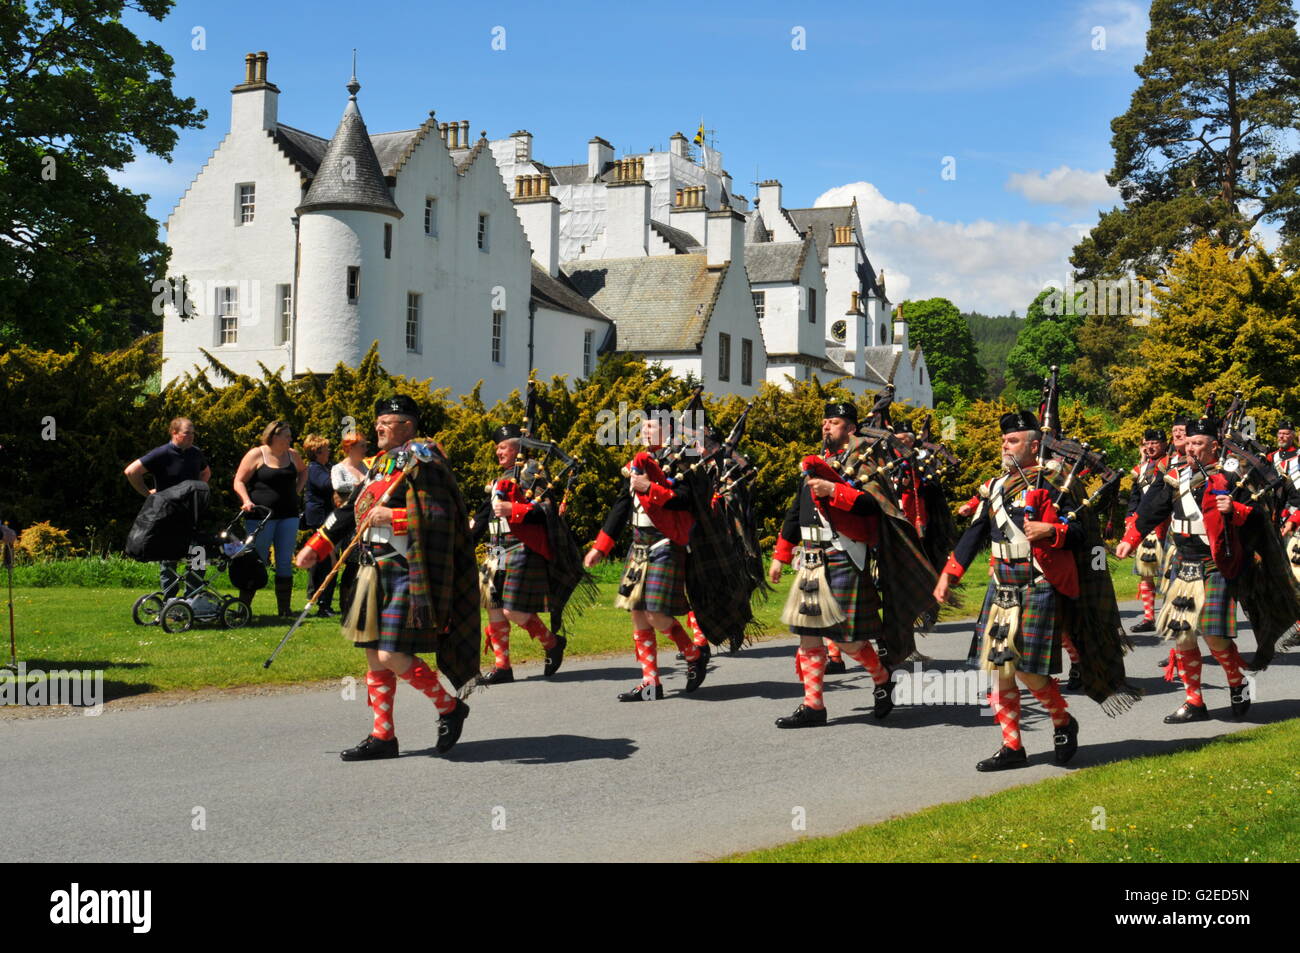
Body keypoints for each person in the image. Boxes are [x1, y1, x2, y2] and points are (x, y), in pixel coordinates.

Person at [933, 410, 1136, 771]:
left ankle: (1061, 719)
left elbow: (1082, 536)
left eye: (1013, 440)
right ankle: (1012, 746)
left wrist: (1051, 531)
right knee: (999, 668)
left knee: (1028, 671)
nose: (1005, 446)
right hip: (1001, 584)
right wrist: (950, 574)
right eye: (1003, 441)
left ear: (1034, 444)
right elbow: (975, 534)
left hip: (1039, 582)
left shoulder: (1058, 483)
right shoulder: (996, 486)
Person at [296, 395, 480, 760]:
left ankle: (449, 707)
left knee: (392, 654)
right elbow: (351, 510)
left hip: (403, 568)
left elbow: (442, 519)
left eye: (387, 421)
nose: (378, 426)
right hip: (370, 569)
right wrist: (316, 546)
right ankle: (384, 736)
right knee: (373, 656)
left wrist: (393, 519)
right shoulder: (380, 464)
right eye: (377, 420)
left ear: (407, 425)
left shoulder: (423, 461)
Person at [1119, 414, 1300, 722]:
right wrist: (1130, 539)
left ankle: (1237, 681)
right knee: (1183, 635)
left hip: (1217, 561)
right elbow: (1151, 508)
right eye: (1188, 443)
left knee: (1214, 636)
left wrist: (1237, 509)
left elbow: (1259, 514)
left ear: (1214, 446)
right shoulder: (1174, 475)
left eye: (1198, 443)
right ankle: (1194, 701)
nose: (1191, 449)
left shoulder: (1232, 476)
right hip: (1183, 560)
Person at [768, 401, 938, 728]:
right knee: (809, 634)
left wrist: (834, 490)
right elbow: (796, 511)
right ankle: (813, 706)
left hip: (844, 554)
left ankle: (881, 676)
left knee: (846, 640)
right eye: (824, 421)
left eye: (833, 422)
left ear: (849, 428)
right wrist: (780, 554)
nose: (825, 427)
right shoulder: (818, 463)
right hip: (812, 558)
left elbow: (871, 506)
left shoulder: (864, 461)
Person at [584, 408, 708, 700]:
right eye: (643, 427)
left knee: (655, 613)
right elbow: (620, 507)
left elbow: (688, 501)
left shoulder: (683, 460)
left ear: (668, 430)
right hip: (638, 545)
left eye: (650, 427)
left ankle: (692, 654)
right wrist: (600, 547)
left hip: (666, 542)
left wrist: (651, 488)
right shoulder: (636, 463)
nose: (644, 432)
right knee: (637, 613)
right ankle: (651, 682)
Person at [470, 424, 567, 683]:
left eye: (502, 447)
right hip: (496, 549)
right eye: (497, 448)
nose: (498, 452)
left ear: (517, 447)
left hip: (521, 546)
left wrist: (513, 509)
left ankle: (552, 643)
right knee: (493, 607)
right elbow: (483, 516)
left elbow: (545, 510)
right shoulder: (500, 478)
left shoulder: (532, 473)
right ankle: (503, 667)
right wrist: (464, 539)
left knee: (513, 611)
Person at [124, 418, 211, 598]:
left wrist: (197, 490)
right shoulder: (162, 453)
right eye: (187, 433)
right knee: (168, 560)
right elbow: (131, 471)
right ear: (174, 433)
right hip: (168, 515)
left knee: (198, 555)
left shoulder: (196, 453)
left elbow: (206, 472)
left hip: (193, 514)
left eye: (193, 433)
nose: (191, 437)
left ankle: (193, 598)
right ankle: (170, 600)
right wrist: (149, 495)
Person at [234, 421, 307, 617]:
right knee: (255, 560)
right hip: (261, 517)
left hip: (289, 515)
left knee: (284, 561)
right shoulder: (256, 454)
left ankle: (284, 609)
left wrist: (297, 491)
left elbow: (303, 471)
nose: (290, 439)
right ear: (273, 436)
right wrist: (246, 500)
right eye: (286, 435)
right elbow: (239, 481)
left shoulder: (293, 455)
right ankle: (244, 608)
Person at [1123, 429, 1170, 635]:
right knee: (1146, 573)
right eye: (1147, 443)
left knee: (1170, 575)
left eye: (1155, 443)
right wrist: (1129, 519)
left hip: (1167, 525)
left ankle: (1170, 616)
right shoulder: (1141, 469)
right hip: (1144, 527)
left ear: (1164, 444)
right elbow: (1135, 497)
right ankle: (1149, 617)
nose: (1150, 447)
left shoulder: (1171, 464)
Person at [331, 433, 371, 617]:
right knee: (349, 561)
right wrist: (361, 485)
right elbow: (338, 485)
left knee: (361, 562)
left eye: (365, 445)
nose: (365, 449)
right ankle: (344, 601)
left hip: (366, 519)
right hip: (348, 520)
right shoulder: (339, 468)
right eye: (361, 446)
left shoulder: (367, 467)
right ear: (349, 448)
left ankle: (359, 601)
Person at [301, 434, 337, 617]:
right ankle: (322, 601)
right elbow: (327, 485)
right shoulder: (314, 469)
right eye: (326, 449)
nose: (329, 452)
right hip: (320, 518)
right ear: (317, 452)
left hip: (327, 516)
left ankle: (320, 599)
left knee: (324, 560)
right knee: (329, 559)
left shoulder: (326, 467)